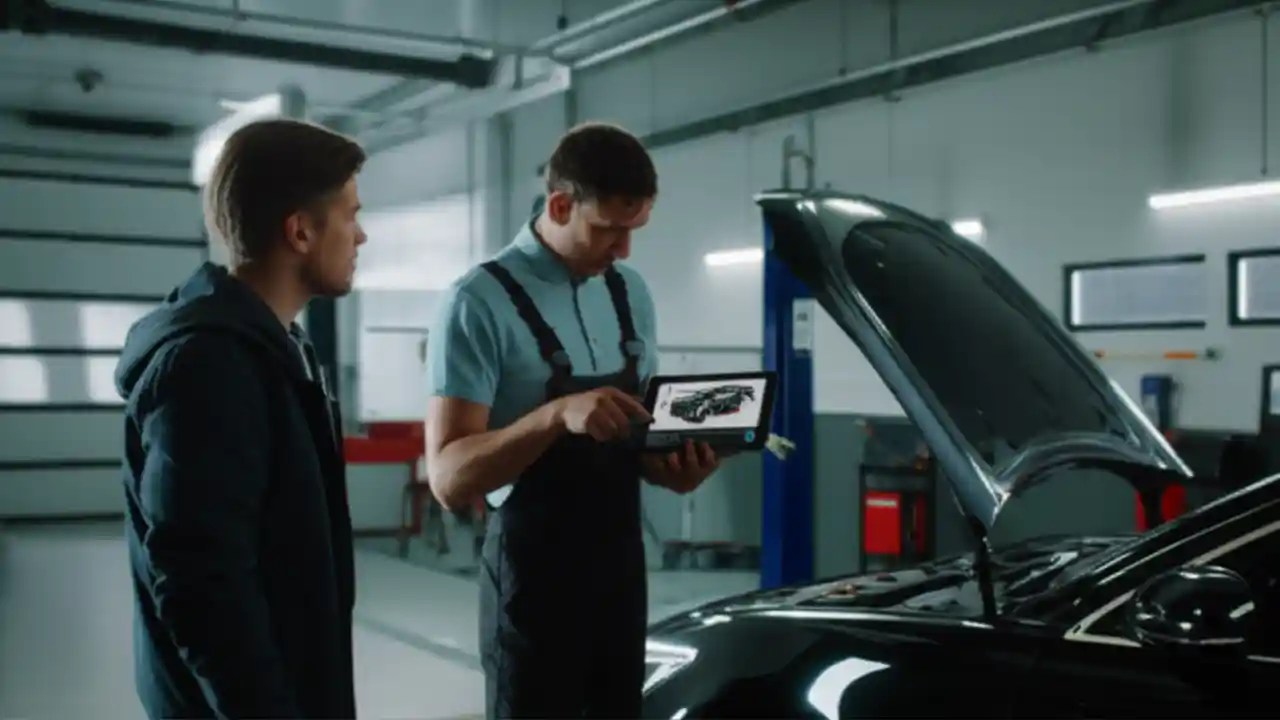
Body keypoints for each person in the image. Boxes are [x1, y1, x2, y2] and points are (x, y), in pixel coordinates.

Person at [424, 121, 721, 718]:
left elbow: (634, 442)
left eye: (634, 231)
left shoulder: (630, 293)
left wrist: (673, 468)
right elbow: (449, 479)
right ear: (560, 205)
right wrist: (556, 415)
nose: (624, 251)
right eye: (609, 230)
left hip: (619, 569)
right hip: (532, 581)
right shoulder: (476, 303)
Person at [113, 118, 367, 719]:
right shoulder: (208, 366)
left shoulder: (279, 348)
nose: (363, 235)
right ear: (301, 231)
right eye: (352, 215)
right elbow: (202, 583)